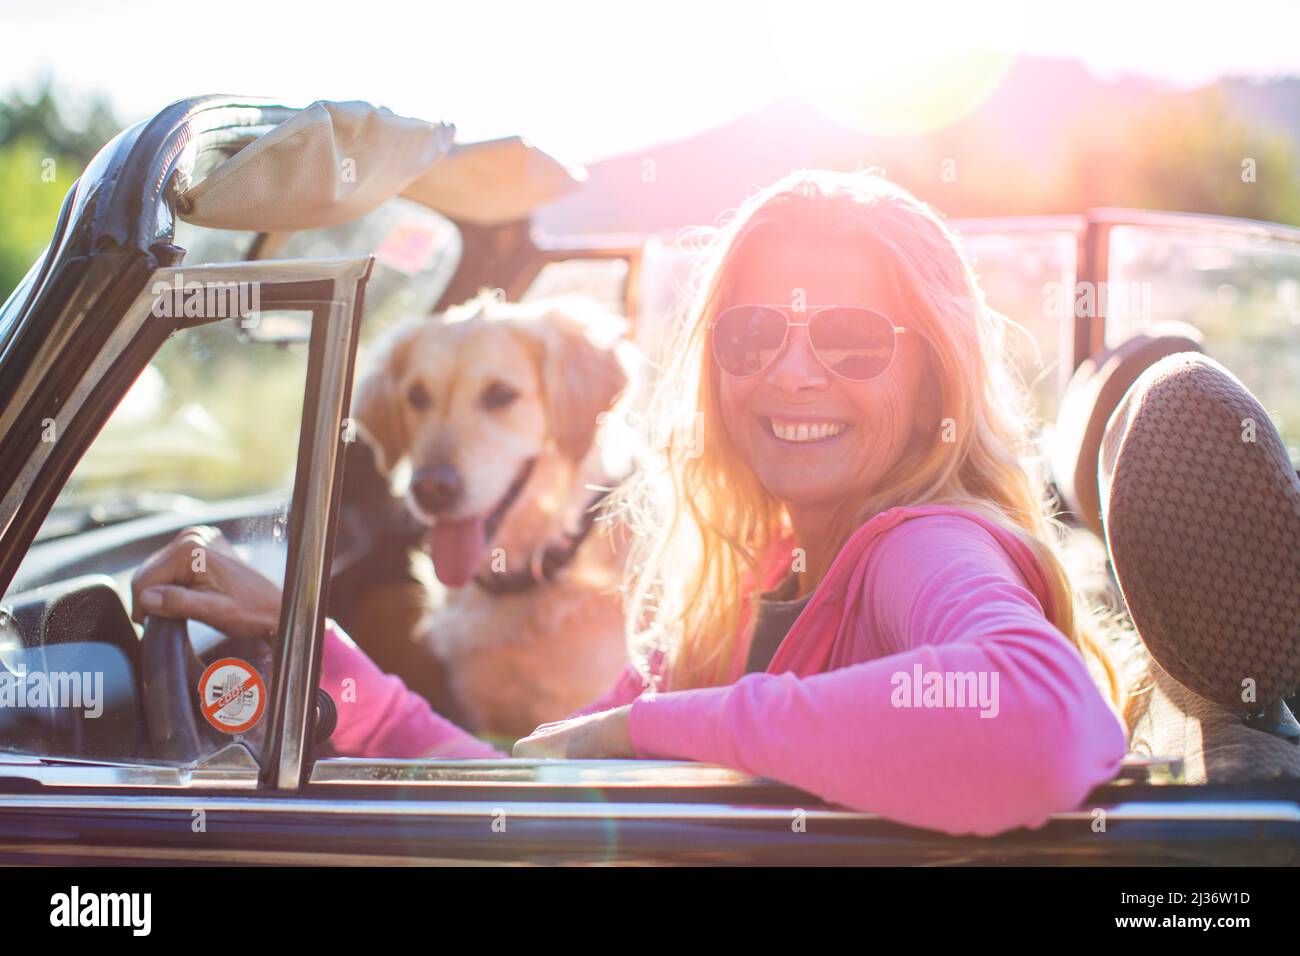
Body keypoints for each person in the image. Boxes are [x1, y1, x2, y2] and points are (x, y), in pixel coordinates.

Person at [132, 170, 1128, 836]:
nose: (791, 372)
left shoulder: (924, 544)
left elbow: (1041, 719)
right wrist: (312, 644)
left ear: (933, 381)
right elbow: (527, 793)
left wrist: (649, 729)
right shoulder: (752, 575)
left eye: (852, 337)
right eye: (749, 336)